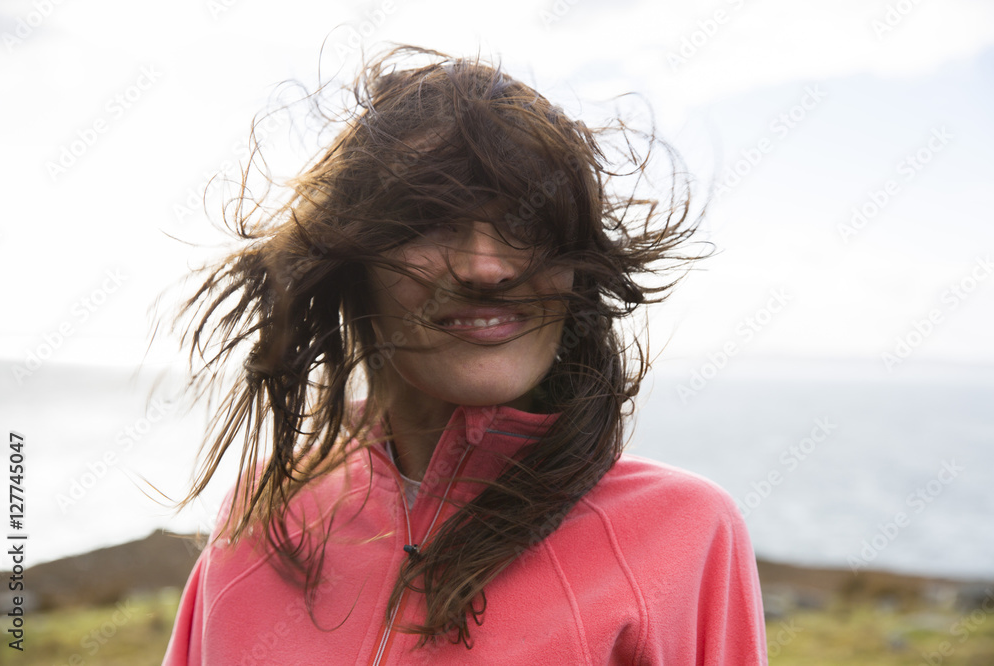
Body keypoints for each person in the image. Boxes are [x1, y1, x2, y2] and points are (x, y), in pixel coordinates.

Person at [161, 45, 767, 665]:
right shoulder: (260, 514)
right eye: (429, 219)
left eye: (529, 223)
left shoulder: (683, 533)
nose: (486, 267)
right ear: (351, 264)